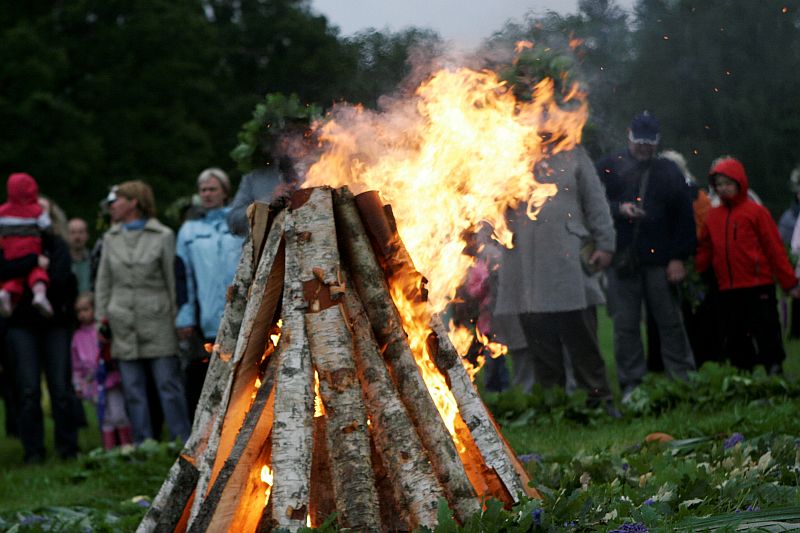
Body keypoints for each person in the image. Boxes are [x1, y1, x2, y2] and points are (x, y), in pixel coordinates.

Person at [494, 144, 618, 415]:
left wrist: (605, 244)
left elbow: (595, 201)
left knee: (583, 342)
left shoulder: (574, 153)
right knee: (541, 348)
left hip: (567, 263)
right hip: (525, 266)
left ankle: (599, 402)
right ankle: (554, 406)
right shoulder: (507, 146)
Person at [596, 112, 696, 399]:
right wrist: (619, 209)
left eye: (649, 143)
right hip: (622, 261)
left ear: (657, 141)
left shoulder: (669, 171)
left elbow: (684, 218)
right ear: (629, 136)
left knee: (670, 321)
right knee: (625, 325)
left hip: (661, 263)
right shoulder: (608, 166)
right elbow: (592, 202)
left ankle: (683, 378)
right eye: (639, 141)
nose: (643, 148)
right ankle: (632, 385)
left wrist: (678, 257)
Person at [95, 180, 191, 444]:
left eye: (116, 200)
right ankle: (142, 444)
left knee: (168, 385)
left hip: (158, 320)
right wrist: (100, 322)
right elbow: (103, 283)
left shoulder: (162, 236)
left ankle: (182, 442)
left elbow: (173, 282)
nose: (111, 206)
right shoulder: (110, 238)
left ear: (134, 202)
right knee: (132, 389)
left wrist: (179, 317)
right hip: (121, 322)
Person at [696, 157, 799, 374]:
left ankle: (774, 368)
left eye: (728, 183)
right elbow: (705, 249)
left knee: (766, 329)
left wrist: (789, 282)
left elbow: (774, 249)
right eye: (719, 184)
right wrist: (696, 272)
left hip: (757, 284)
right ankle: (743, 372)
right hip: (728, 287)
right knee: (735, 333)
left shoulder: (756, 213)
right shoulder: (713, 217)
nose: (723, 189)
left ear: (739, 183)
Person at [3, 195, 79, 463]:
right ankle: (33, 451)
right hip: (21, 326)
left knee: (60, 387)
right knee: (28, 389)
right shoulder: (7, 244)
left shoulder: (57, 245)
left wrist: (28, 269)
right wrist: (33, 262)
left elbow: (60, 280)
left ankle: (68, 448)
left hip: (55, 325)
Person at [175, 168, 244, 418]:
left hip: (240, 310)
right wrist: (185, 317)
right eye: (203, 189)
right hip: (206, 317)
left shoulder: (240, 223)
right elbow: (183, 277)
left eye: (213, 189)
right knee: (207, 375)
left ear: (224, 192)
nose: (207, 194)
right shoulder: (189, 231)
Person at [227, 93, 318, 235]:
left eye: (297, 133)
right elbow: (234, 223)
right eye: (284, 135)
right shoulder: (255, 178)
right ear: (273, 141)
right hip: (268, 254)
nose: (290, 141)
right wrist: (268, 202)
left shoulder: (325, 171)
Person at [71, 292, 132, 449]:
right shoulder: (77, 336)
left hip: (111, 379)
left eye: (85, 309)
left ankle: (127, 449)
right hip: (94, 385)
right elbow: (76, 364)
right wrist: (78, 384)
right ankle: (109, 451)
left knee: (119, 414)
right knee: (105, 418)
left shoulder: (102, 330)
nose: (82, 314)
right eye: (78, 311)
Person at [0, 173, 53, 318]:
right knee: (36, 272)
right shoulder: (35, 210)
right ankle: (40, 294)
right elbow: (47, 227)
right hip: (31, 248)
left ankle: (6, 293)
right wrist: (45, 212)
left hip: (10, 251)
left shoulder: (3, 210)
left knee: (16, 277)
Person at [67, 218, 92, 294]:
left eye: (81, 232)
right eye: (73, 232)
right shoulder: (60, 262)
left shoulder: (95, 260)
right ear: (66, 235)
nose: (77, 237)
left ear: (87, 235)